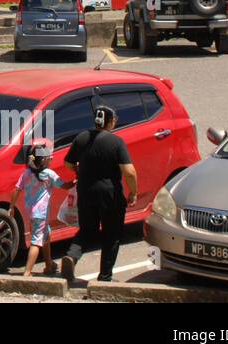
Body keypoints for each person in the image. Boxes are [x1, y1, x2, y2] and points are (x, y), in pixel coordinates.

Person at [59, 105, 138, 284]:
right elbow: (129, 172)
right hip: (110, 196)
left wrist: (79, 170)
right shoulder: (116, 142)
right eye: (114, 119)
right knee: (112, 235)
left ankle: (71, 257)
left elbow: (68, 163)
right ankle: (104, 278)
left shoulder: (82, 138)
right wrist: (133, 192)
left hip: (85, 192)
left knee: (87, 230)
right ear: (110, 121)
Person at [10, 140, 73, 277]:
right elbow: (64, 186)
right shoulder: (49, 174)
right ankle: (27, 272)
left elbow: (16, 190)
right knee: (36, 242)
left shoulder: (26, 173)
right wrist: (75, 181)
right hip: (41, 214)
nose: (51, 158)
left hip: (31, 213)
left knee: (46, 235)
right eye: (49, 157)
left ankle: (49, 265)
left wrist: (11, 207)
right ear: (44, 160)